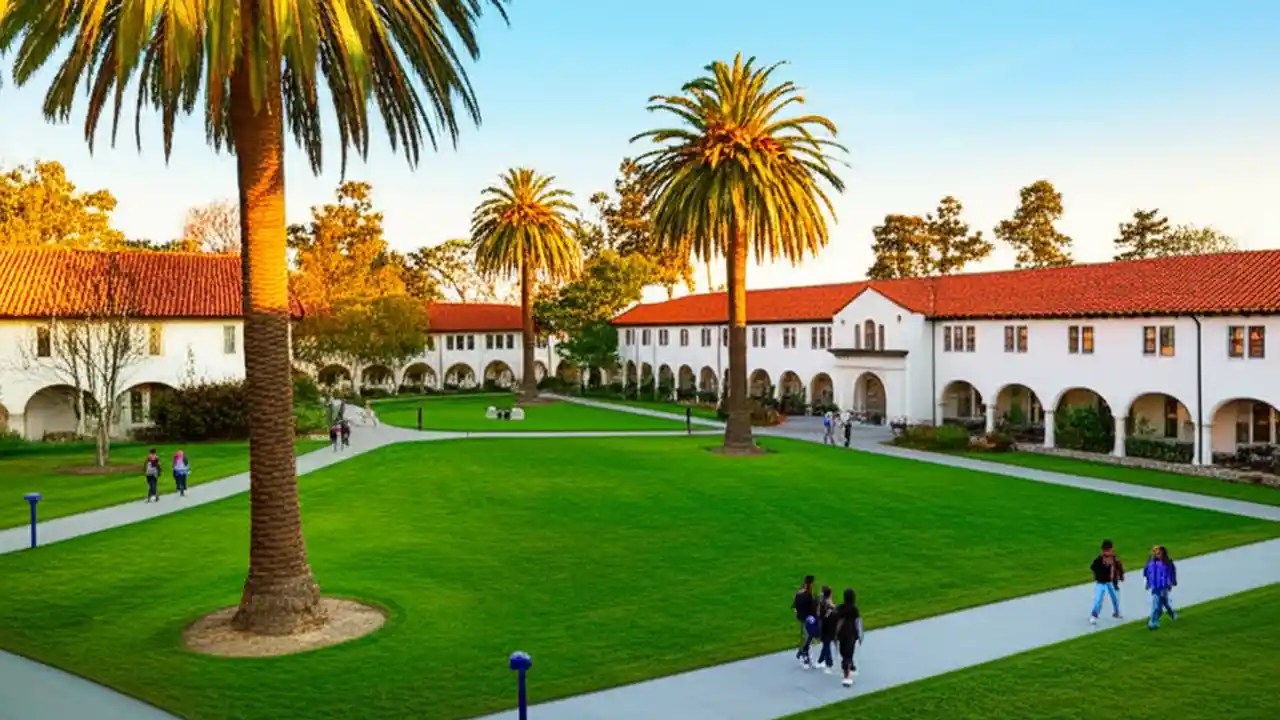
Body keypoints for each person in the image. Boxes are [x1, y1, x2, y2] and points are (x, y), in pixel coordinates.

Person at [1089, 539, 1125, 624]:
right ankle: (1094, 615)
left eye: (1109, 550)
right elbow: (1093, 567)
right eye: (1106, 550)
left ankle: (1116, 612)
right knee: (1098, 599)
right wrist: (1096, 576)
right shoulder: (1099, 560)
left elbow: (1119, 568)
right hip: (1101, 583)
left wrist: (1121, 576)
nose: (1108, 552)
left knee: (1115, 598)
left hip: (1110, 582)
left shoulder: (1115, 560)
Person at [1143, 545, 1178, 629]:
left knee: (1164, 603)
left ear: (1162, 553)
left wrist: (1172, 581)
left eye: (1158, 553)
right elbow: (1146, 572)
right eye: (1155, 552)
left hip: (1164, 586)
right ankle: (1153, 623)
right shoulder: (1151, 562)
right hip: (1155, 587)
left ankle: (1171, 613)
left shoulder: (1167, 562)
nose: (1156, 554)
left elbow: (1172, 572)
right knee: (1155, 605)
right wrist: (1148, 583)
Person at [835, 587, 863, 687]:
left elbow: (837, 621)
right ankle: (847, 675)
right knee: (848, 653)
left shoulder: (840, 608)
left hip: (842, 634)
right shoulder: (854, 609)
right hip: (851, 634)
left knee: (844, 652)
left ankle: (847, 670)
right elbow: (857, 622)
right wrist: (860, 635)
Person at [791, 574, 817, 668]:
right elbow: (811, 606)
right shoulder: (806, 593)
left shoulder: (803, 592)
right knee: (807, 636)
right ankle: (804, 654)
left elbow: (795, 606)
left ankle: (801, 652)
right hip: (807, 618)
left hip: (805, 617)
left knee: (807, 636)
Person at [815, 586, 838, 674]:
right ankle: (829, 663)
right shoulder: (829, 605)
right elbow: (834, 611)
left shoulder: (821, 600)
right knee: (826, 644)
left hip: (822, 625)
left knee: (825, 643)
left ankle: (820, 661)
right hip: (828, 626)